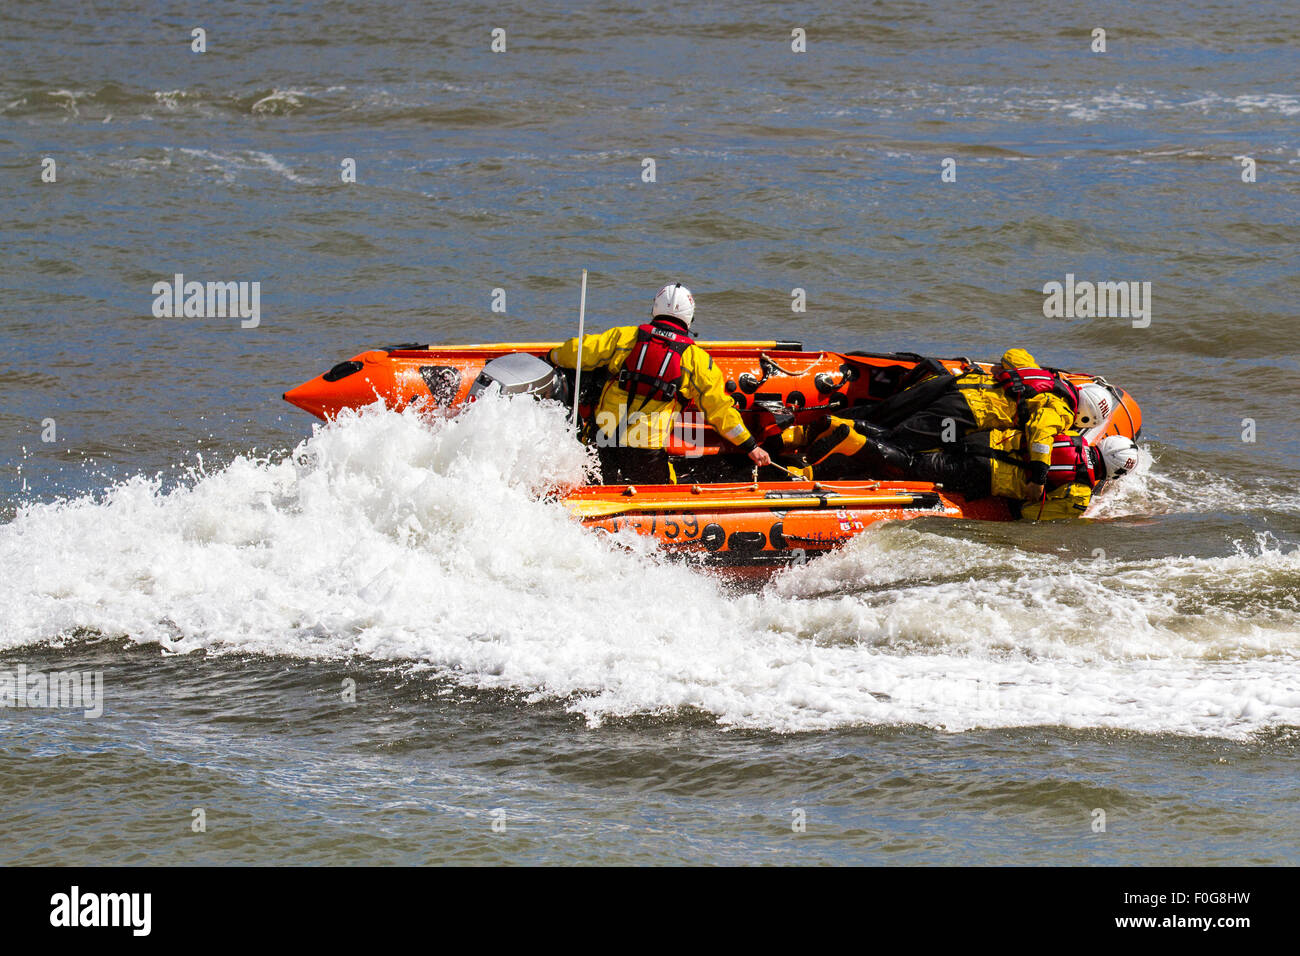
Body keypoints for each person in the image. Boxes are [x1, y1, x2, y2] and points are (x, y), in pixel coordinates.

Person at [548, 282, 771, 484]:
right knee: (665, 489)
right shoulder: (697, 360)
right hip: (645, 450)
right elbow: (719, 411)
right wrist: (750, 446)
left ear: (655, 309)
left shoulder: (623, 337)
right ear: (690, 317)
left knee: (596, 483)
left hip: (603, 438)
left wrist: (551, 358)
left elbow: (579, 351)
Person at [855, 349, 1112, 487]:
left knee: (882, 415)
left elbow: (1013, 354)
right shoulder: (1061, 409)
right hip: (965, 413)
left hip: (955, 384)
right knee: (902, 443)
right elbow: (1041, 435)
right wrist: (1039, 474)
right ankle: (841, 448)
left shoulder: (1042, 378)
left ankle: (834, 425)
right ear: (1086, 419)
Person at [799, 415, 1140, 519]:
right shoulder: (1079, 494)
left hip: (980, 440)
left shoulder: (1067, 437)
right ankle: (851, 441)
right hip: (983, 473)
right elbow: (1030, 516)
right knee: (911, 467)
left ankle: (843, 438)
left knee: (913, 449)